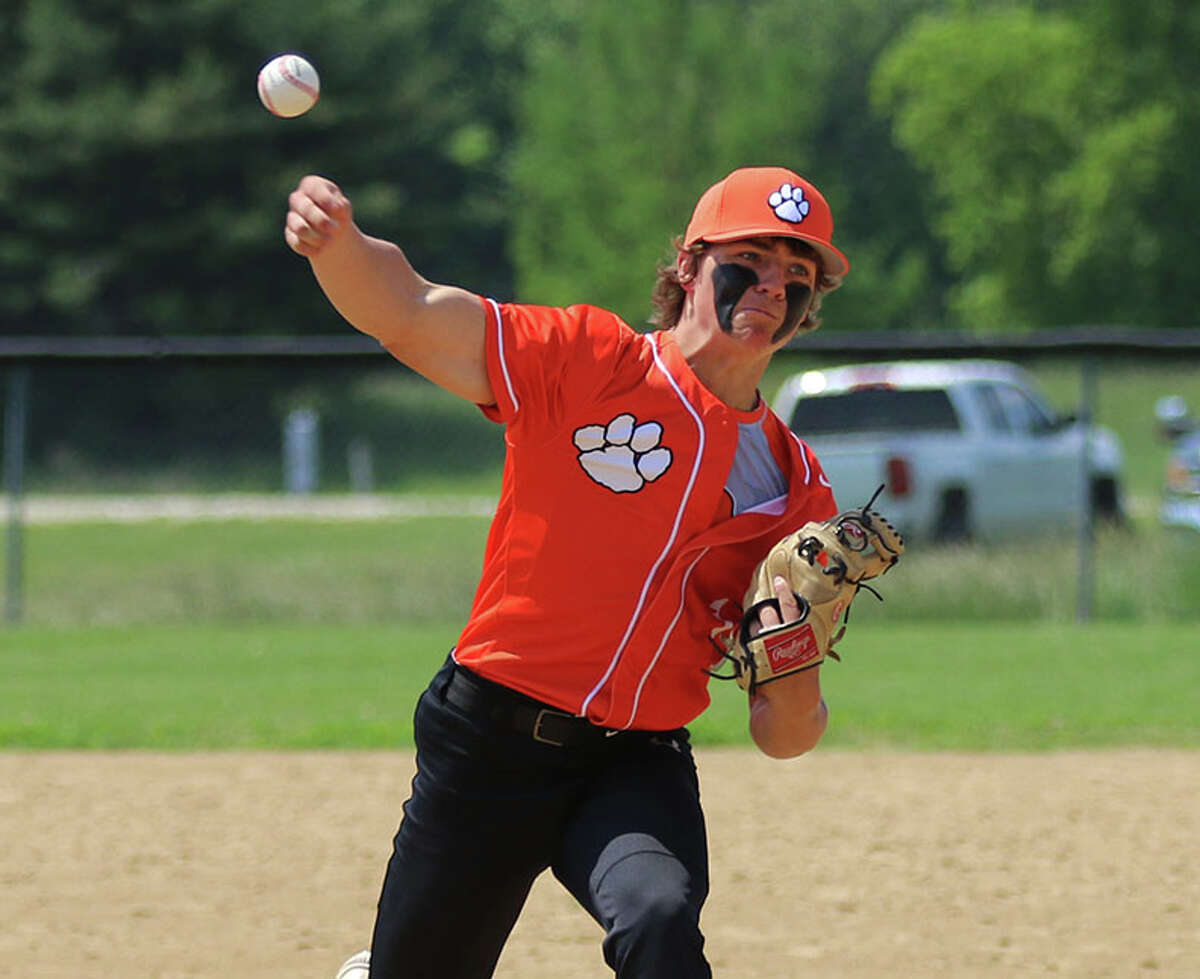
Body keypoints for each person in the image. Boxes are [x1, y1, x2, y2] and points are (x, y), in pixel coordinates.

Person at [285, 165, 851, 979]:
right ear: (689, 267)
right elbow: (410, 312)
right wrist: (338, 246)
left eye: (798, 276)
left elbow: (785, 734)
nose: (773, 284)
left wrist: (793, 662)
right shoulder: (589, 363)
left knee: (658, 921)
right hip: (492, 741)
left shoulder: (799, 492)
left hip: (632, 760)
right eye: (752, 258)